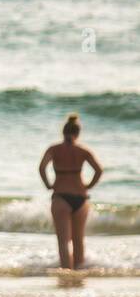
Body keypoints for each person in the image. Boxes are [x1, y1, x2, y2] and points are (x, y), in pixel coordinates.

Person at [39, 114, 102, 270]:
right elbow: (99, 170)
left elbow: (42, 167)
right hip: (81, 198)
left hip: (61, 197)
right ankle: (78, 276)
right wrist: (89, 186)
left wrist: (48, 184)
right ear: (78, 133)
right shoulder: (83, 150)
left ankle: (67, 275)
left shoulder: (54, 149)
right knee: (78, 240)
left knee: (63, 242)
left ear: (63, 132)